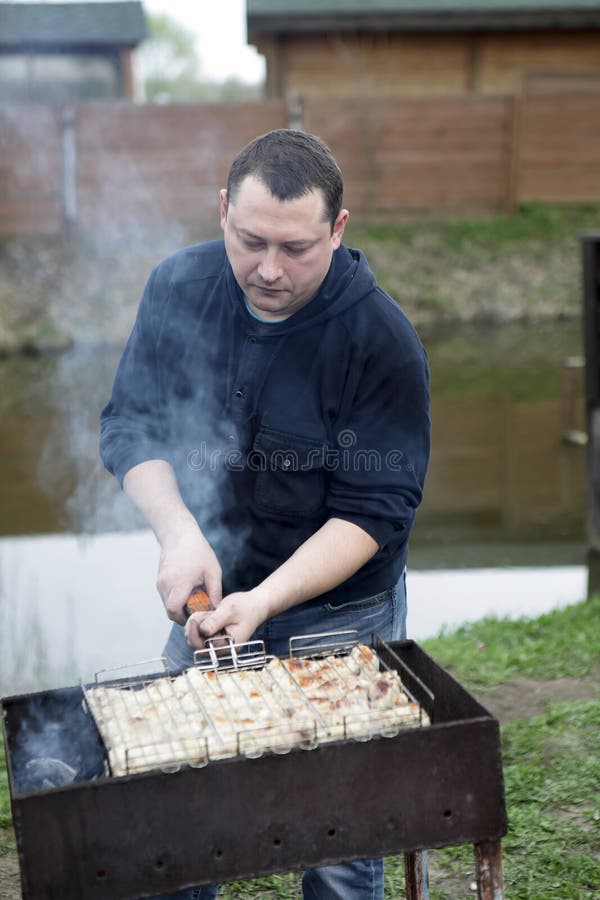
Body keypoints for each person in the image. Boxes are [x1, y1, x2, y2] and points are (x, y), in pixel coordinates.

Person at [100, 129, 430, 900]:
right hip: (212, 606)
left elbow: (374, 509)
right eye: (251, 241)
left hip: (339, 615)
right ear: (222, 212)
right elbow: (131, 425)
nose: (269, 269)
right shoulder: (178, 287)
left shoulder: (381, 341)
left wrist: (269, 600)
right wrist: (181, 535)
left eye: (297, 248)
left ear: (339, 230)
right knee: (177, 821)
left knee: (341, 847)